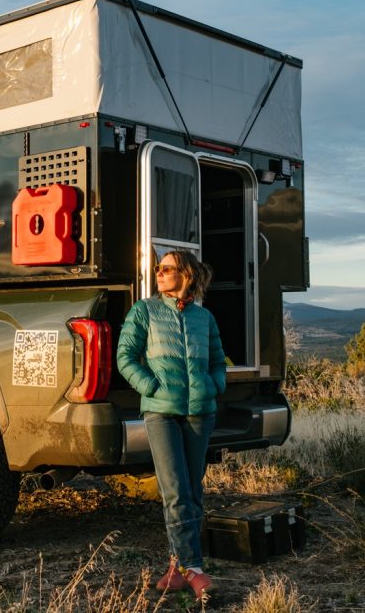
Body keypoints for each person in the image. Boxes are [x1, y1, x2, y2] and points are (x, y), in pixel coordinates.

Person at [116, 250, 226, 600]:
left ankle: (177, 570)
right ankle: (194, 570)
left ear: (187, 275)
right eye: (158, 269)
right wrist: (151, 387)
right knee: (176, 490)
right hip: (161, 413)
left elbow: (218, 361)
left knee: (192, 492)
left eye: (166, 268)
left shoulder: (203, 318)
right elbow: (125, 357)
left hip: (199, 412)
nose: (158, 273)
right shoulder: (144, 311)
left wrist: (214, 386)